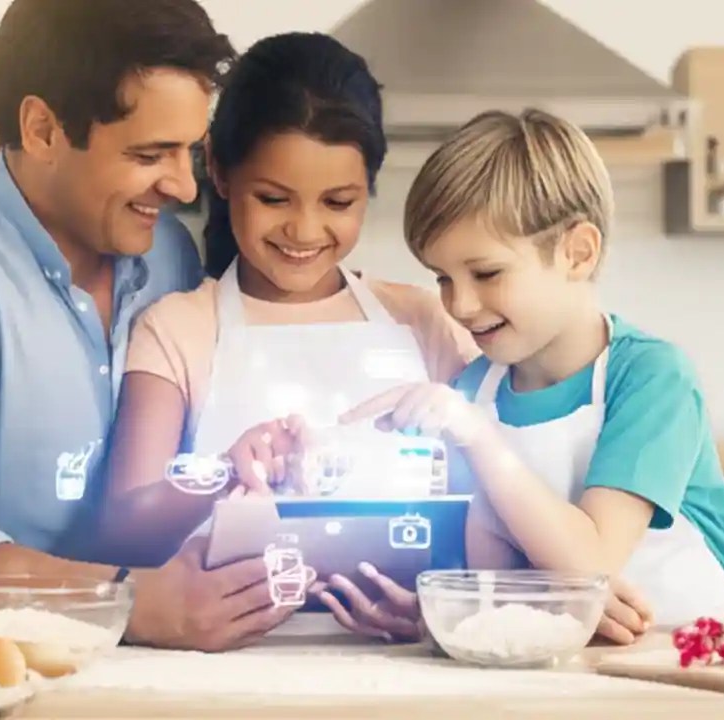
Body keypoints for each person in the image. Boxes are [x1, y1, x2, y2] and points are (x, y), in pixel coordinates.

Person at [0, 0, 283, 653]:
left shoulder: (168, 256)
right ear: (43, 129)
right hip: (0, 680)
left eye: (191, 151)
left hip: (174, 665)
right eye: (152, 153)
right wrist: (123, 600)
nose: (185, 186)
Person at [98, 32, 478, 642]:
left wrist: (442, 605)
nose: (305, 229)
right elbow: (123, 528)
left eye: (338, 201)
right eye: (273, 198)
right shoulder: (178, 329)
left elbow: (495, 503)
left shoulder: (426, 321)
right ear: (220, 173)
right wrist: (223, 471)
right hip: (216, 666)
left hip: (397, 662)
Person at [340, 108, 724, 641]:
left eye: (487, 273)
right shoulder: (474, 392)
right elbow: (494, 581)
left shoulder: (650, 379)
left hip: (690, 669)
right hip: (564, 676)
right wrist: (442, 614)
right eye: (442, 277)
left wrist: (480, 439)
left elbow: (594, 560)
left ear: (577, 253)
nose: (459, 304)